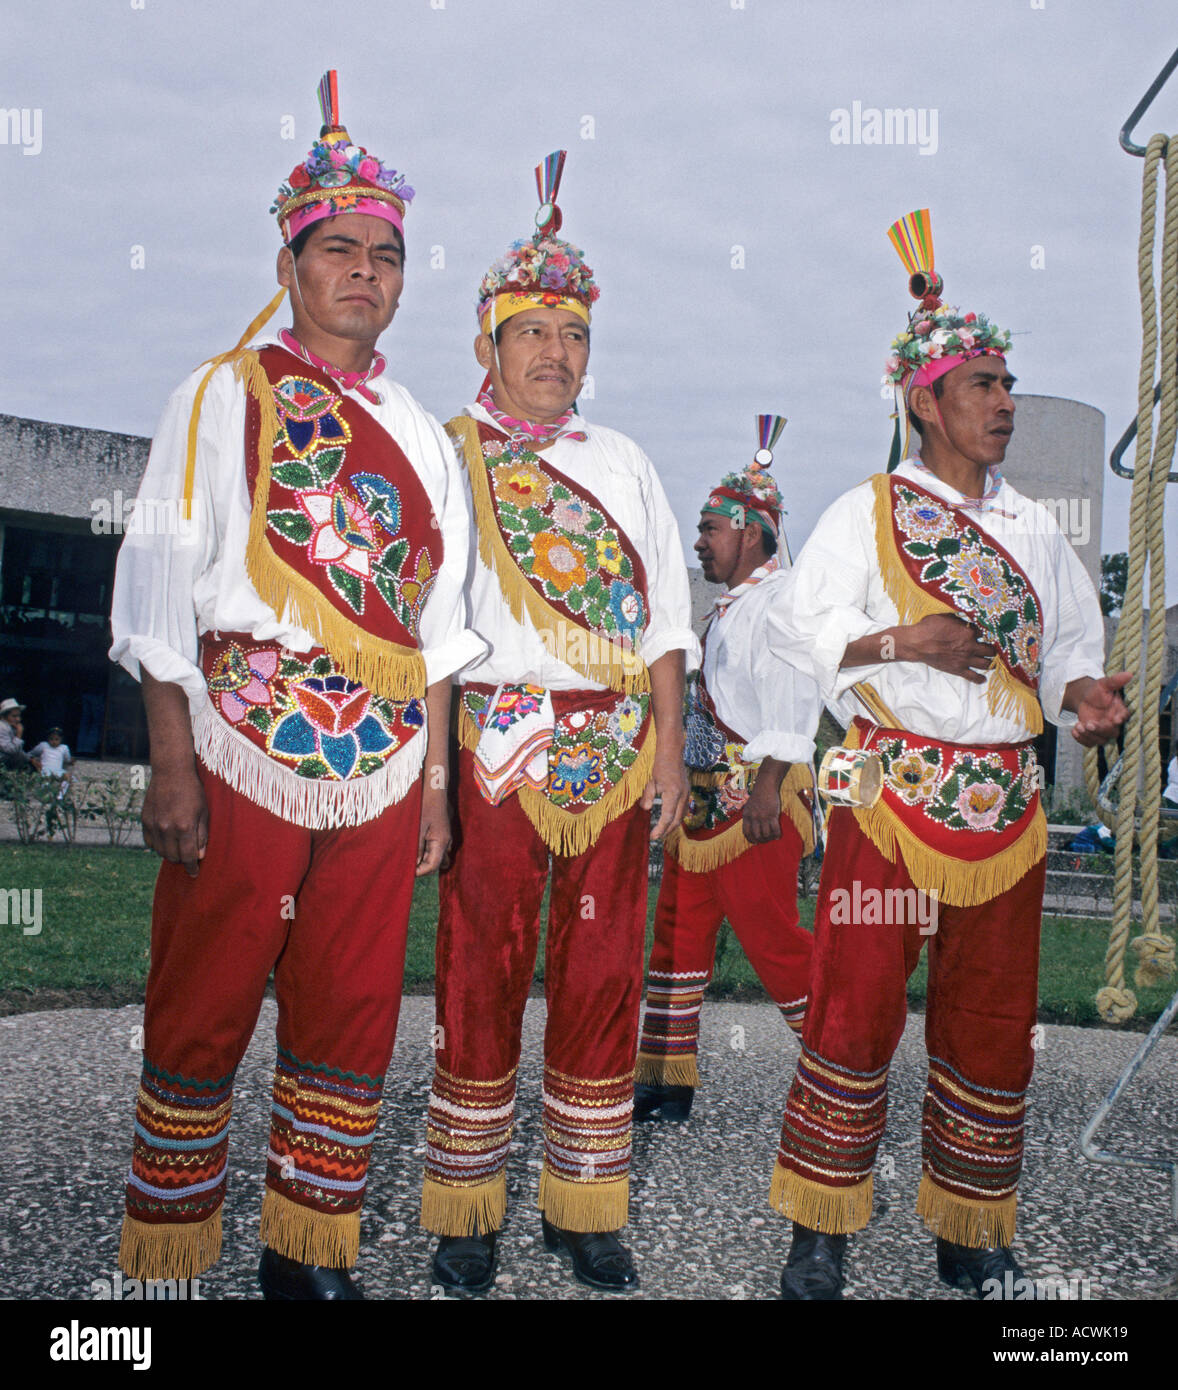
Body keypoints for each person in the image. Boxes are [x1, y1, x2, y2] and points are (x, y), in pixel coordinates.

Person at [108, 72, 483, 1300]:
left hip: (379, 766)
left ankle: (304, 1243)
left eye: (385, 253)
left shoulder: (427, 435)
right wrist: (171, 759)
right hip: (242, 743)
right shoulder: (223, 393)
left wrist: (432, 788)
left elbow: (439, 633)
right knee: (206, 996)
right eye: (340, 249)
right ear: (291, 261)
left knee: (352, 1003)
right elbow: (163, 587)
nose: (365, 272)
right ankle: (170, 1244)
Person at [764, 210, 1130, 1300]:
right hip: (886, 793)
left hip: (1003, 803)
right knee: (853, 1004)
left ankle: (969, 1228)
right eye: (981, 385)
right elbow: (798, 628)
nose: (1004, 403)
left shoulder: (1031, 531)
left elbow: (1067, 643)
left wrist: (1083, 694)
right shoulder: (863, 513)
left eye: (1007, 383)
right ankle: (820, 1224)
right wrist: (897, 641)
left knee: (989, 1017)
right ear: (924, 401)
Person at [420, 152, 699, 1294]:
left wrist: (673, 746)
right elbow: (433, 623)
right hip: (496, 740)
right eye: (530, 331)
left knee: (600, 975)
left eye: (571, 334)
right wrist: (433, 775)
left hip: (613, 745)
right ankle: (466, 1207)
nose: (553, 353)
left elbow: (669, 619)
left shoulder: (623, 460)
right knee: (476, 970)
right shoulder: (448, 453)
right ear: (488, 342)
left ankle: (583, 1204)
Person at [634, 423, 820, 1122]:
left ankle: (840, 1068)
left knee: (770, 936)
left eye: (710, 528)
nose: (699, 541)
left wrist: (771, 782)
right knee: (678, 929)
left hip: (758, 799)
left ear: (750, 532)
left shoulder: (784, 601)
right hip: (710, 802)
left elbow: (798, 695)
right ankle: (665, 1076)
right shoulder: (730, 608)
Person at [0, 698, 32, 771]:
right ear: (4, 716)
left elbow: (18, 749)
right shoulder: (1, 727)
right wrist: (19, 735)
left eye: (18, 716)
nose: (18, 719)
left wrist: (30, 759)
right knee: (18, 756)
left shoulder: (10, 727)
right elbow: (12, 751)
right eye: (14, 716)